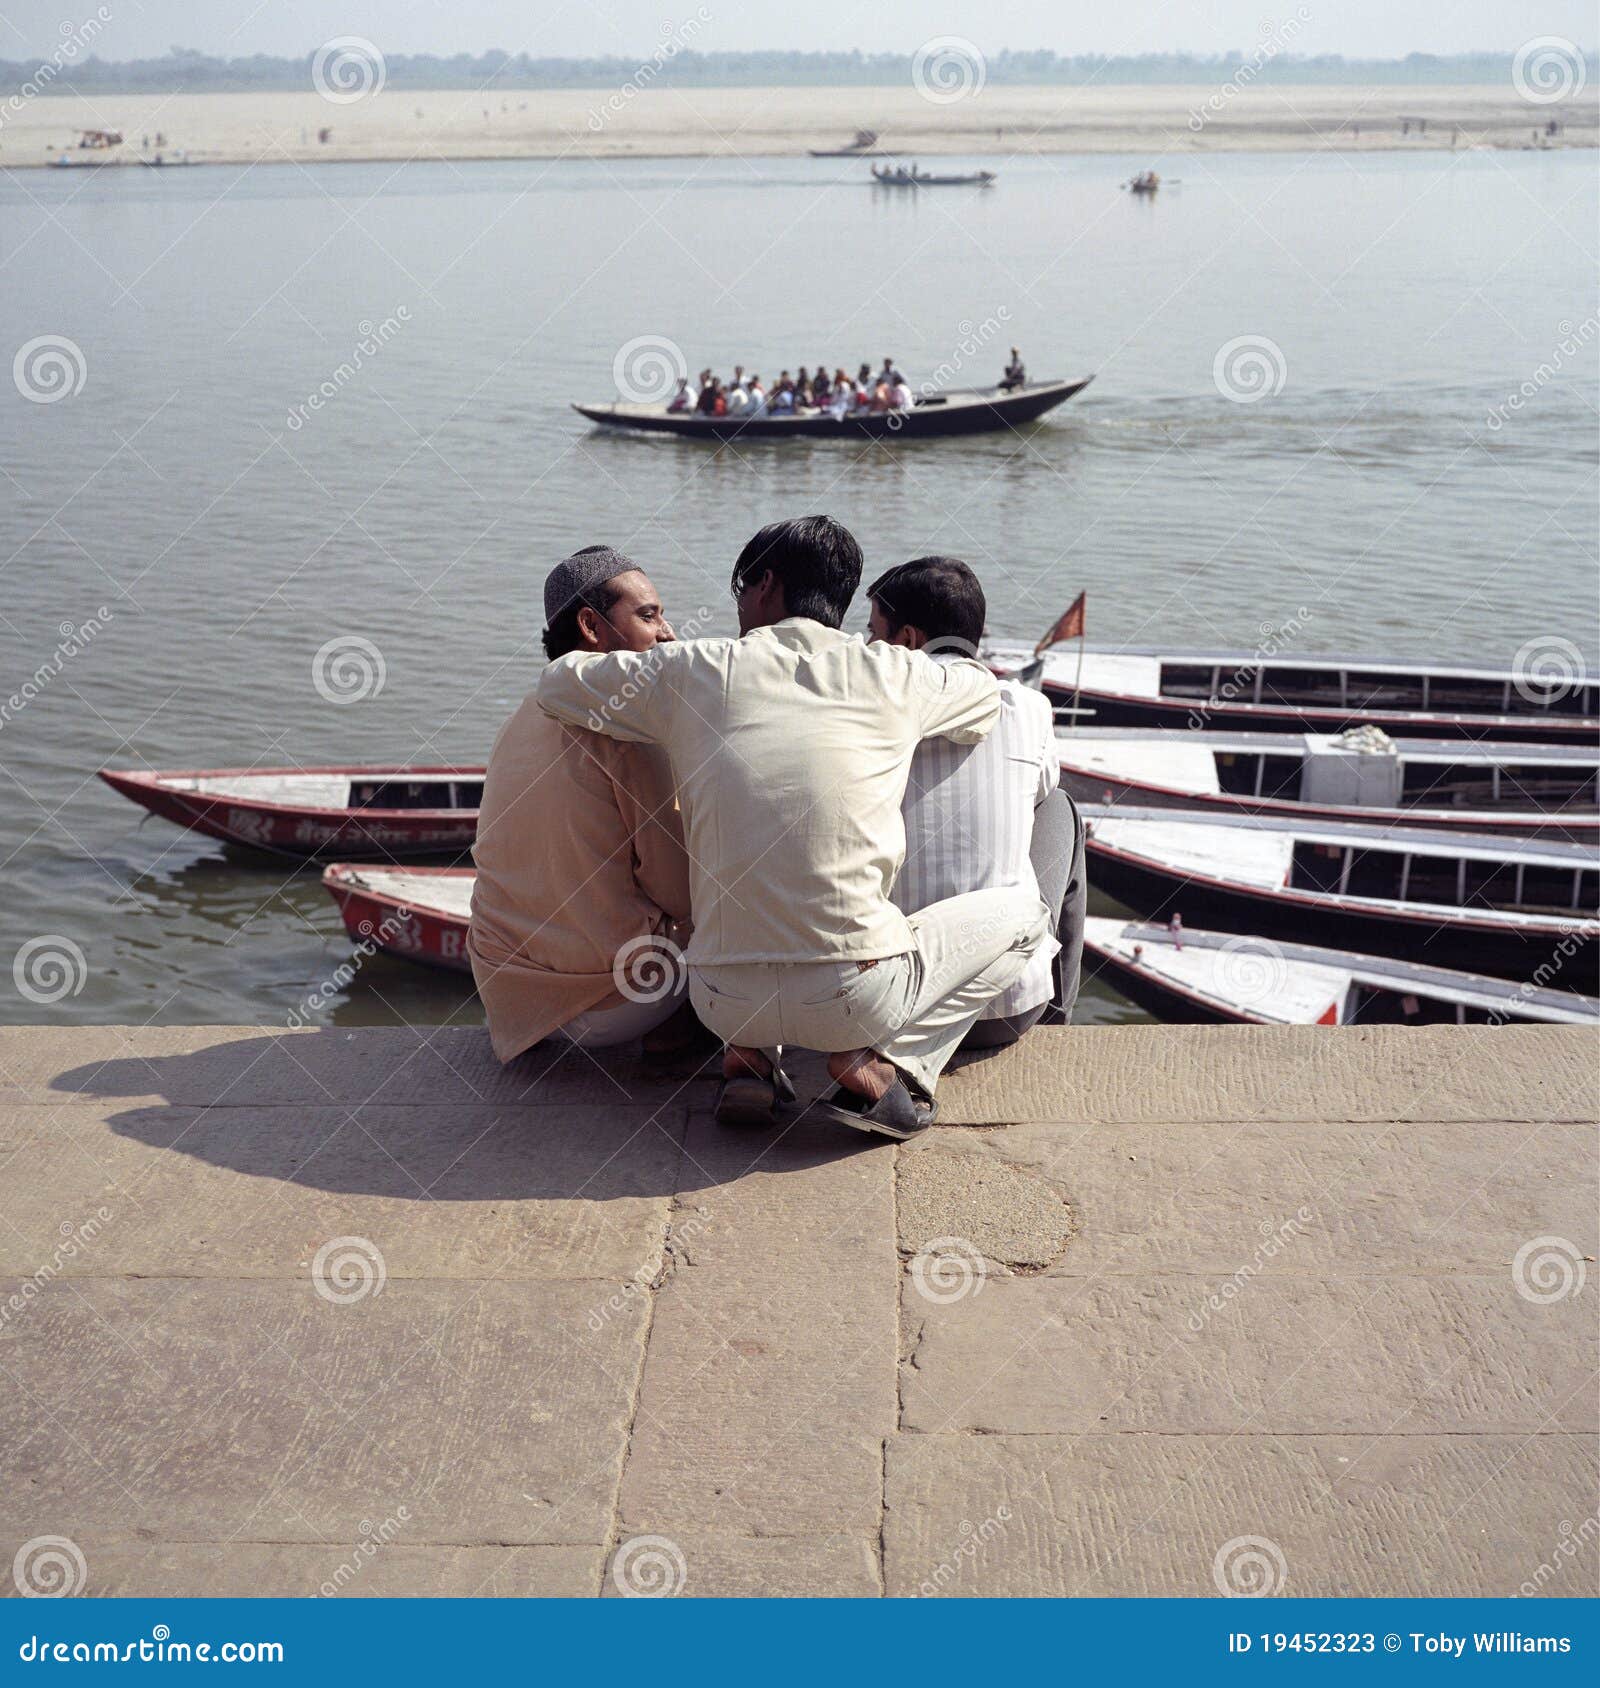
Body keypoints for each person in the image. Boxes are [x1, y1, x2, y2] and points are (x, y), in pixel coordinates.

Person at [537, 516, 1054, 1140]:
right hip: (857, 995)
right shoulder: (895, 673)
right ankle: (887, 1064)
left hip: (719, 998)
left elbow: (559, 682)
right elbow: (980, 693)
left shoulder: (691, 671)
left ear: (764, 588)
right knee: (1029, 917)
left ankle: (750, 1058)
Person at [469, 547, 697, 1061]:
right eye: (649, 615)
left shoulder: (522, 714)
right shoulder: (627, 729)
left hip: (510, 1000)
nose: (669, 633)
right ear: (591, 626)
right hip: (616, 1005)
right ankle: (742, 1058)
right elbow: (680, 894)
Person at [866, 557, 1083, 1047]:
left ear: (908, 639)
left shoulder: (865, 709)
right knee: (1060, 808)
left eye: (873, 632)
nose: (867, 646)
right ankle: (1056, 1014)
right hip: (1004, 1011)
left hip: (887, 1006)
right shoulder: (1026, 706)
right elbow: (1042, 789)